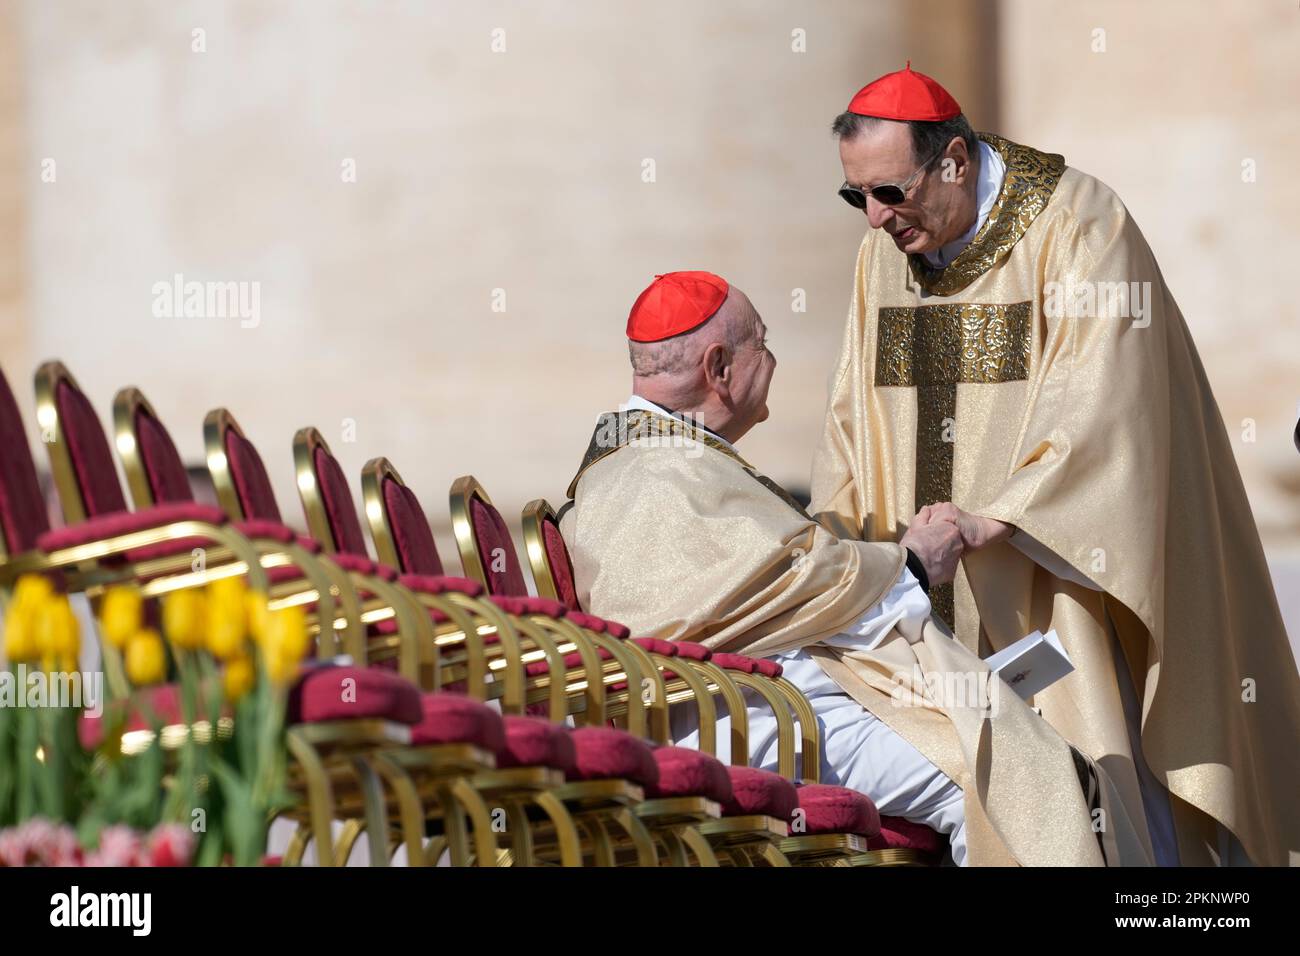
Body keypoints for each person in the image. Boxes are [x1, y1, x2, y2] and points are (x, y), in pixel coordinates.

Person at [811, 64, 1299, 865]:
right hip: (926, 592)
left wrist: (997, 517)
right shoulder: (884, 258)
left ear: (957, 163)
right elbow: (849, 417)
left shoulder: (1079, 221)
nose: (873, 219)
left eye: (889, 193)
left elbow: (1110, 396)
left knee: (1094, 782)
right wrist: (856, 556)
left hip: (1056, 571)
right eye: (855, 197)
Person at [560, 270, 1153, 866]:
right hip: (737, 716)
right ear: (718, 368)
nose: (771, 361)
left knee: (1009, 739)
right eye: (760, 344)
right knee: (999, 776)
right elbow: (786, 579)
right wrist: (915, 560)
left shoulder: (656, 456)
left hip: (745, 696)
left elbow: (762, 586)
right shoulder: (661, 473)